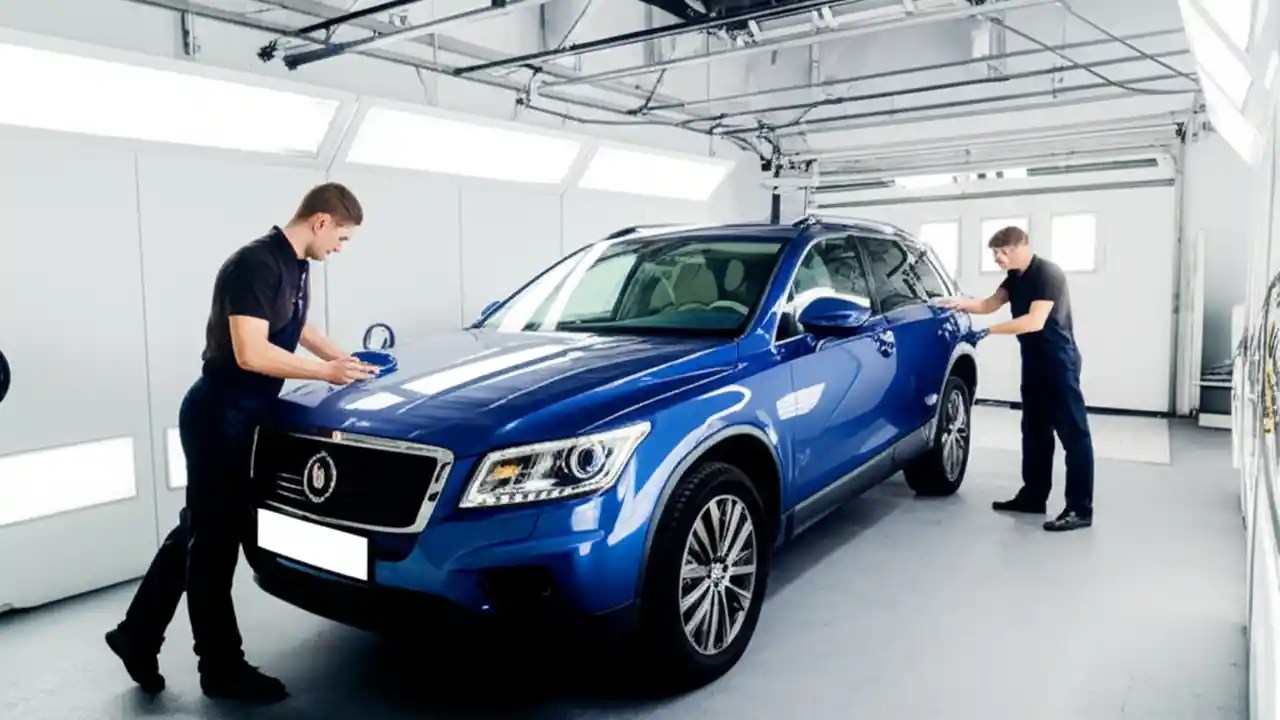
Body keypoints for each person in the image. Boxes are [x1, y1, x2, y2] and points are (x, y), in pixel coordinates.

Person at [104, 183, 377, 703]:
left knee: (197, 529)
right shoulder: (254, 263)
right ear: (321, 222)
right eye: (341, 237)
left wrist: (349, 363)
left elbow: (297, 326)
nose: (340, 248)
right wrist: (326, 372)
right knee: (214, 544)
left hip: (248, 415)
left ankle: (135, 634)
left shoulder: (296, 265)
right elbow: (251, 352)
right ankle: (220, 668)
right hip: (219, 413)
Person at [942, 226, 1094, 533]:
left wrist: (986, 332)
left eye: (1002, 252)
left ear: (1021, 246)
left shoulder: (1047, 274)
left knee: (1073, 433)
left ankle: (1080, 508)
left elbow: (1034, 321)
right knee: (1035, 431)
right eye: (995, 253)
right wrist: (954, 302)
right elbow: (989, 304)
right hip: (1035, 362)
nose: (997, 258)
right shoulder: (1014, 277)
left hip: (1058, 363)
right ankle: (1033, 496)